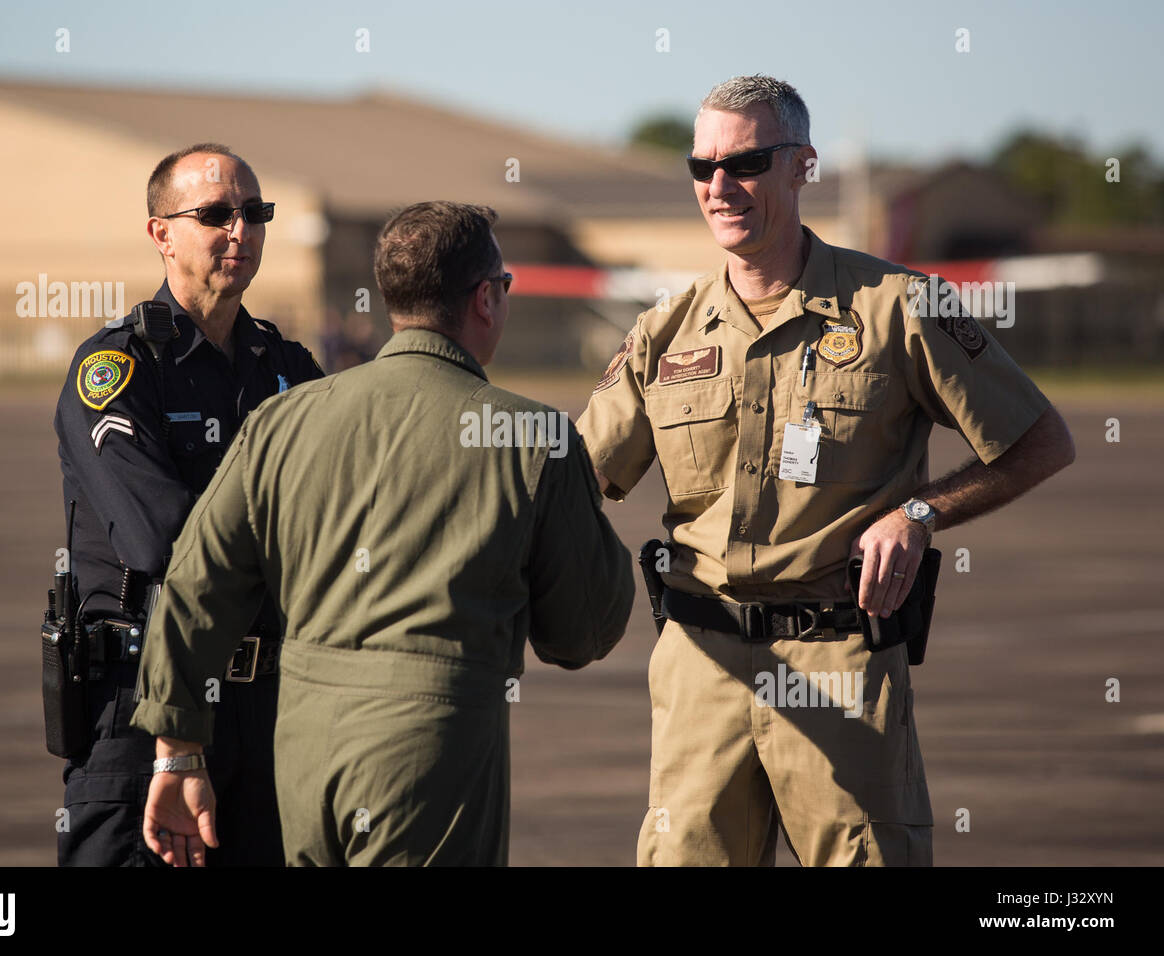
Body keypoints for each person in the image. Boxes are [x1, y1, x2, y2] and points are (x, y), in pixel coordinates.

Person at [577, 75, 1076, 866]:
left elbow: (1041, 440)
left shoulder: (902, 307)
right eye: (701, 167)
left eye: (744, 163)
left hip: (841, 660)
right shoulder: (663, 331)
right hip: (698, 668)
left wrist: (920, 515)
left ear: (802, 166)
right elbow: (575, 481)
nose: (718, 187)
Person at [129, 201, 634, 867]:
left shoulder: (282, 420)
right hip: (431, 755)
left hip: (304, 748)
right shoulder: (533, 435)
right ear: (485, 298)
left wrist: (177, 750)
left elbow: (195, 585)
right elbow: (580, 634)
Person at [52, 142, 323, 866]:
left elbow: (349, 523)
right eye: (215, 214)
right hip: (140, 712)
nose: (241, 231)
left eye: (254, 213)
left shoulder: (292, 372)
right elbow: (163, 542)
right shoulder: (116, 370)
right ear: (160, 233)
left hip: (270, 713)